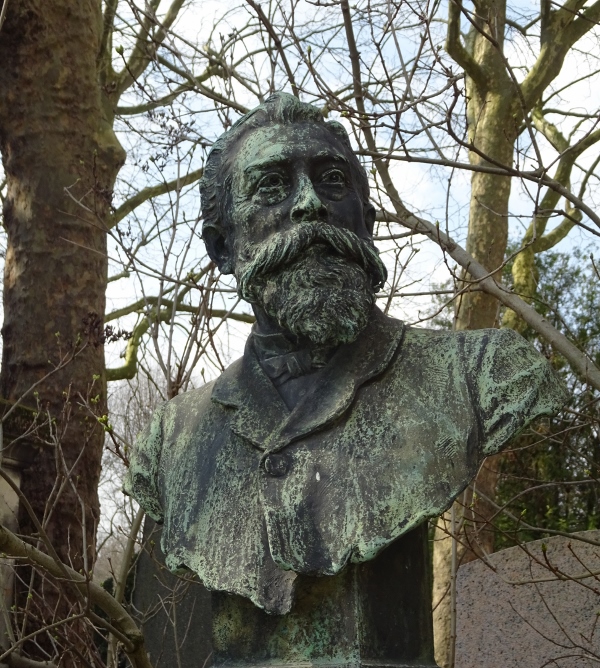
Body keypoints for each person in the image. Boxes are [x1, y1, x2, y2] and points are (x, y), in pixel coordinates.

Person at [124, 92, 566, 616]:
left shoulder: (481, 375)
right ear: (223, 247)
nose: (310, 203)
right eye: (272, 186)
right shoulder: (170, 439)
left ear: (367, 219)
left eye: (333, 180)